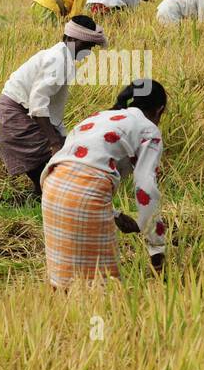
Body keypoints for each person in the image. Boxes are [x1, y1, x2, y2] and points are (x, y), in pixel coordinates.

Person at [41, 79, 168, 289]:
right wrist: (156, 246)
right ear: (159, 110)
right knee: (103, 286)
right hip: (86, 192)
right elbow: (146, 188)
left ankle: (63, 320)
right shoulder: (149, 130)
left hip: (53, 188)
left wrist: (114, 215)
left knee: (64, 281)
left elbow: (78, 170)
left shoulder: (99, 116)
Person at [0, 17, 108, 197]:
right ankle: (44, 201)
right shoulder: (58, 60)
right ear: (70, 39)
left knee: (53, 167)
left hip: (22, 113)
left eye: (91, 47)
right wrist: (54, 142)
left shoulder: (63, 57)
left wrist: (62, 137)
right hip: (15, 117)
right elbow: (37, 104)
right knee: (50, 166)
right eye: (85, 45)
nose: (88, 51)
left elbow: (51, 107)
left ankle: (39, 199)